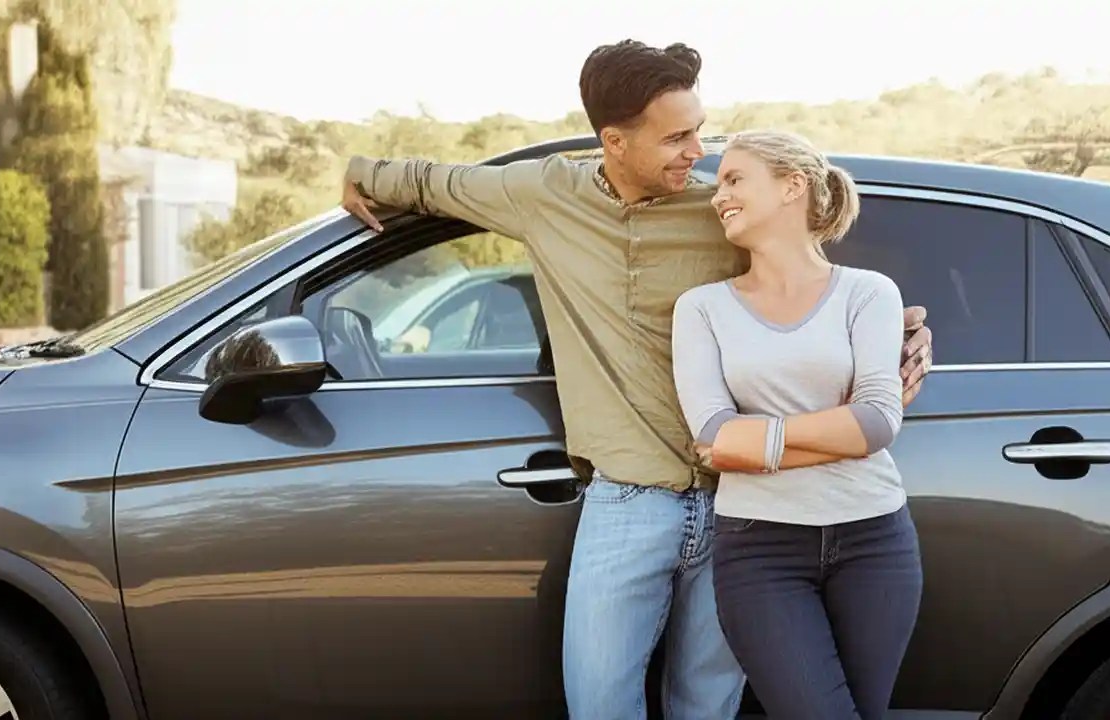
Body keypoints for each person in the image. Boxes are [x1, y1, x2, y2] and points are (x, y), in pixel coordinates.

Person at [339, 40, 934, 720]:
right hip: (627, 502)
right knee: (598, 706)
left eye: (700, 132)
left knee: (705, 709)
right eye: (677, 137)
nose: (698, 153)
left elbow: (822, 287)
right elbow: (432, 181)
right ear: (613, 141)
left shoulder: (725, 214)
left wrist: (911, 333)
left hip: (744, 509)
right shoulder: (544, 193)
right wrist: (361, 173)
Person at [672, 130, 923, 719]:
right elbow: (713, 435)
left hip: (876, 539)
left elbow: (880, 421)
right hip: (761, 549)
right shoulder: (702, 308)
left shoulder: (868, 293)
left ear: (792, 185)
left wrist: (757, 443)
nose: (718, 195)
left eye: (734, 179)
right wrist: (843, 438)